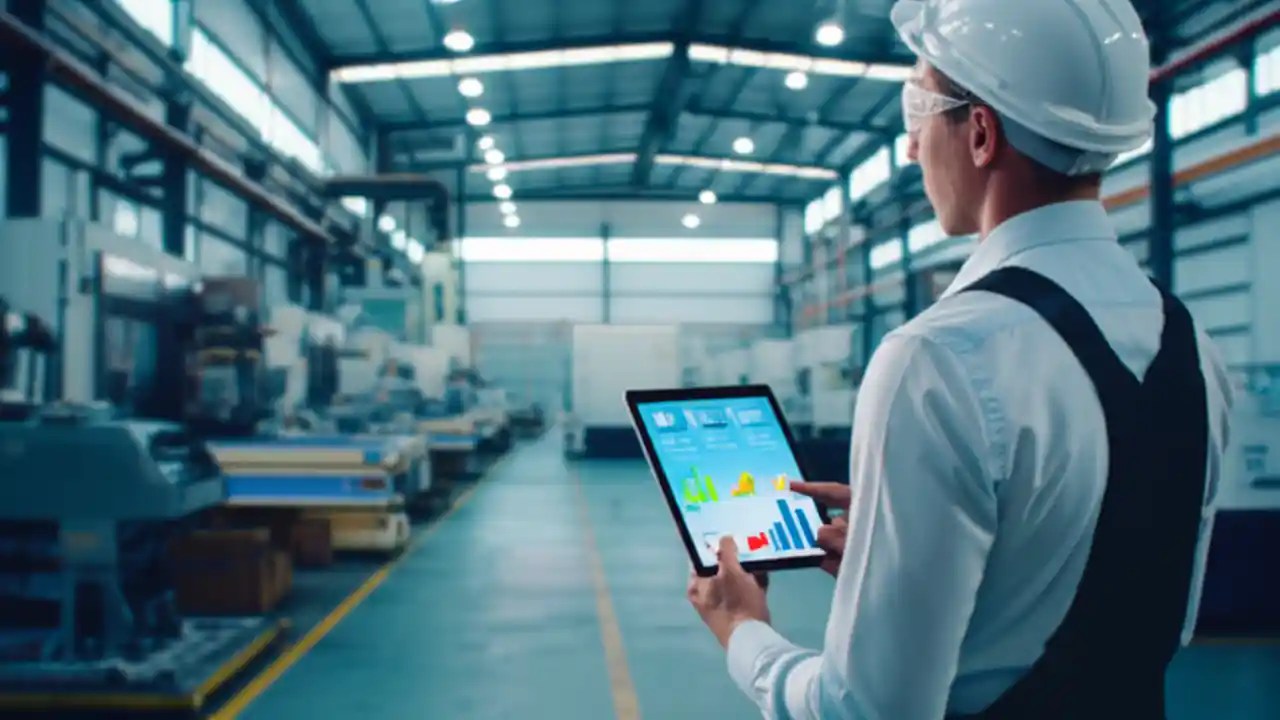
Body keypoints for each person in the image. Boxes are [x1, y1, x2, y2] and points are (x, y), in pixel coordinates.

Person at [686, 1, 1235, 718]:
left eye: (919, 109)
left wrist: (743, 632)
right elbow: (1133, 615)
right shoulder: (1193, 348)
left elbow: (865, 710)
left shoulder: (936, 359)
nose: (911, 149)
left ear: (980, 133)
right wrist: (906, 568)